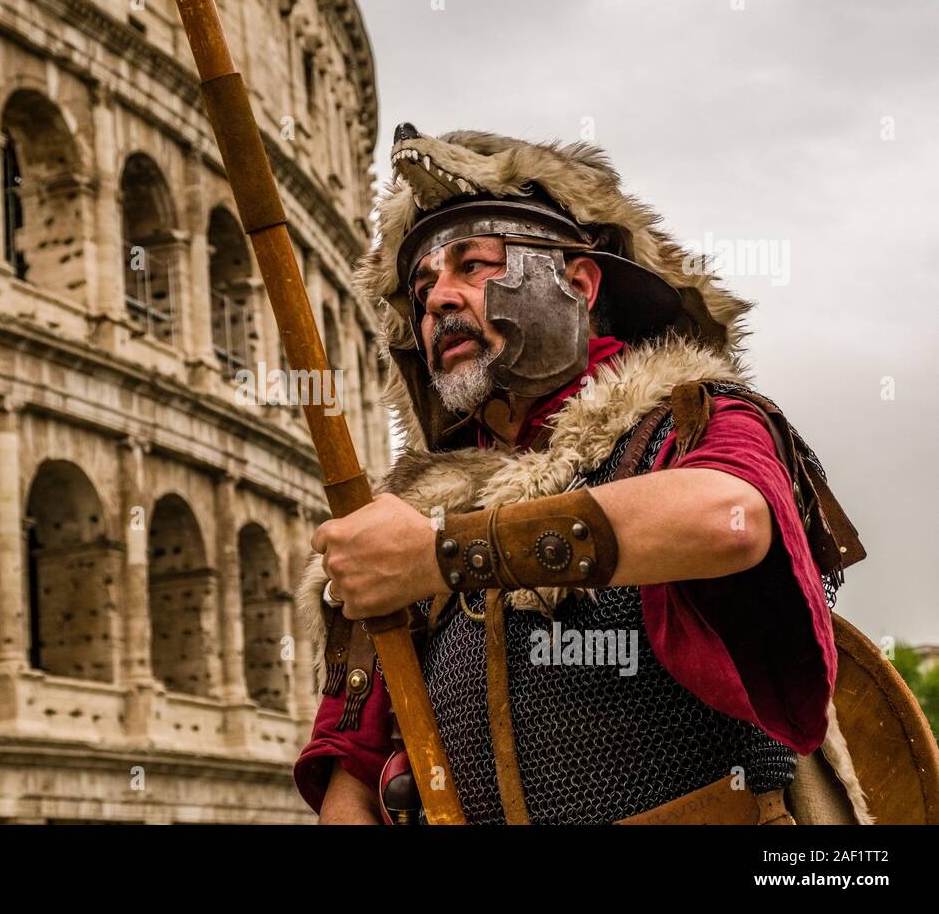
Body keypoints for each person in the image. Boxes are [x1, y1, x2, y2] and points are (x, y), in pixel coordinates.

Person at [294, 124, 864, 825]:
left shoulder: (689, 419)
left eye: (472, 266)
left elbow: (729, 521)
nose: (438, 299)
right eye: (423, 285)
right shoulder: (408, 514)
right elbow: (350, 770)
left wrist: (444, 554)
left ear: (579, 281)